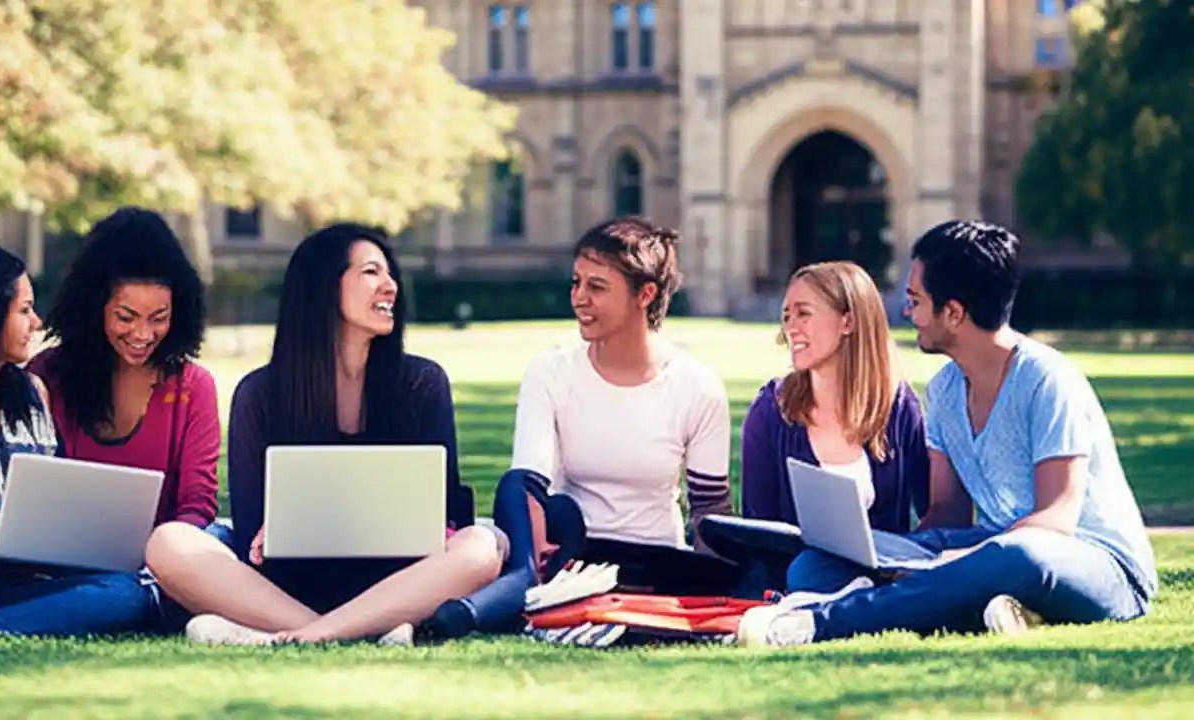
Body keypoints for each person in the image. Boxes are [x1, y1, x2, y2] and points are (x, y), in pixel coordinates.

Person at [736, 220, 1158, 647]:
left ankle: (820, 622)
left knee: (1017, 557)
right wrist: (895, 557)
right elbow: (948, 513)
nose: (906, 312)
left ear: (953, 313)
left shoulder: (1046, 379)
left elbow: (1056, 518)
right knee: (818, 563)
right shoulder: (945, 390)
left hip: (1092, 563)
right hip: (995, 547)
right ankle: (1001, 608)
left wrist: (959, 562)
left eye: (916, 300)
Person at [143, 223, 502, 645]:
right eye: (371, 272)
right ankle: (342, 631)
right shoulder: (260, 394)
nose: (390, 287)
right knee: (168, 542)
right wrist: (264, 535)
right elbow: (250, 527)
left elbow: (447, 512)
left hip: (398, 581)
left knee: (481, 544)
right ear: (325, 288)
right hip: (288, 586)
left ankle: (300, 636)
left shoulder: (422, 384)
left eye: (389, 274)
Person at [429, 216, 736, 638]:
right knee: (530, 497)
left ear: (645, 294)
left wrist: (716, 588)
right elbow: (528, 485)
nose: (579, 298)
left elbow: (709, 508)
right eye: (576, 283)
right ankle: (521, 586)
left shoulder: (697, 387)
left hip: (653, 563)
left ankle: (483, 609)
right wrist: (535, 550)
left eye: (597, 287)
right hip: (569, 556)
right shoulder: (550, 372)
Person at [1, 207, 222, 635]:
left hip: (157, 568)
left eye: (159, 318)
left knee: (191, 558)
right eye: (126, 317)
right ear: (94, 306)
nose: (143, 334)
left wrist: (162, 555)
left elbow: (197, 506)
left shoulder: (194, 386)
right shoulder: (46, 377)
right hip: (55, 563)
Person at [0, 243, 137, 635]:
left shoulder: (34, 392)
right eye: (24, 310)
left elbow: (52, 494)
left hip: (27, 571)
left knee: (128, 592)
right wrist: (6, 525)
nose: (36, 322)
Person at [726, 261, 928, 589]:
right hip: (793, 579)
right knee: (808, 569)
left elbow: (933, 514)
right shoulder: (772, 410)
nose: (790, 328)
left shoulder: (899, 407)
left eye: (803, 313)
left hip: (885, 575)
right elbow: (759, 532)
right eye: (786, 315)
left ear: (848, 321)